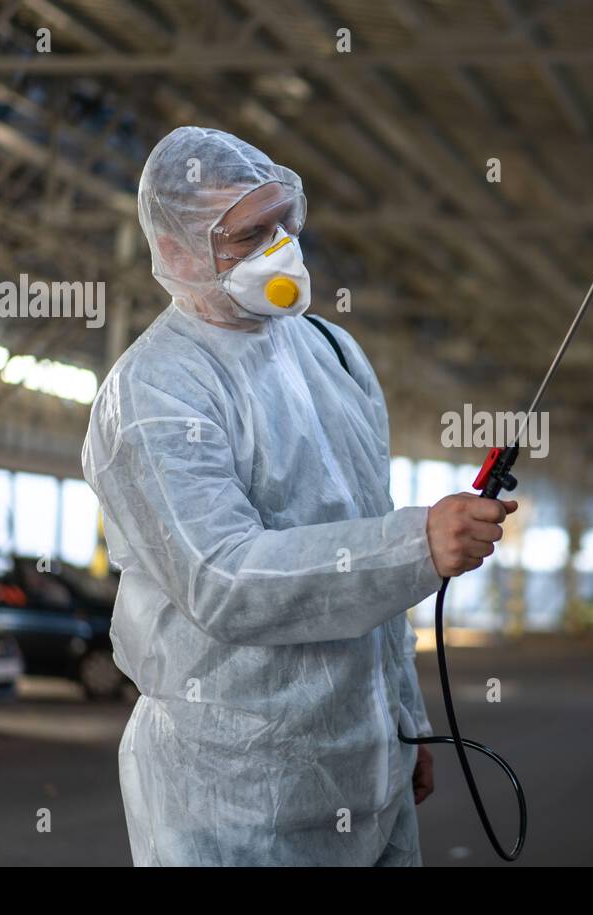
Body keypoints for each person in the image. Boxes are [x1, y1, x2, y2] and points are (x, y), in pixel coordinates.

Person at [82, 126, 516, 866]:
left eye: (285, 222)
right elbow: (221, 577)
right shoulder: (156, 389)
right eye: (249, 235)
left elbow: (367, 565)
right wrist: (416, 546)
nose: (281, 248)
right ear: (180, 252)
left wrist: (404, 725)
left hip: (367, 770)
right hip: (235, 796)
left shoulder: (333, 355)